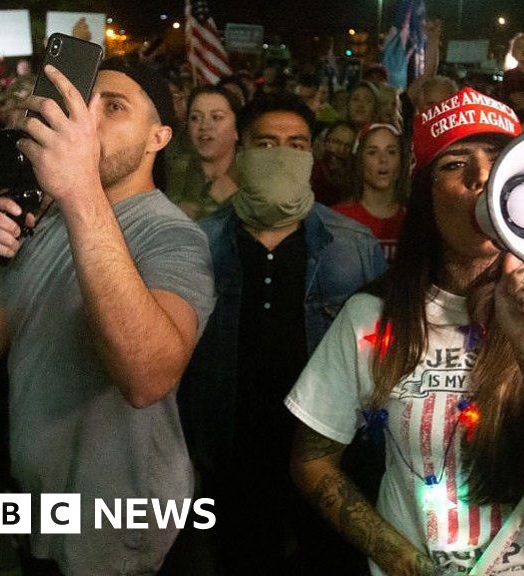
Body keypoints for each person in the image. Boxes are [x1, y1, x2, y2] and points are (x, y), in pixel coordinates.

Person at [287, 87, 524, 575]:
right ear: (426, 193)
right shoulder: (373, 316)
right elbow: (314, 459)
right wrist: (399, 558)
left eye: (499, 161)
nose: (482, 179)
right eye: (455, 164)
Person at [0, 57, 215, 575]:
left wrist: (80, 189)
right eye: (84, 103)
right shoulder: (45, 222)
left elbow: (146, 377)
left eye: (113, 107)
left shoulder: (171, 235)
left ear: (158, 137)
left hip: (127, 540)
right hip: (41, 519)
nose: (87, 118)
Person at [179, 92, 387, 574]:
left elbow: (379, 361)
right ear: (243, 150)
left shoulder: (353, 246)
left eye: (296, 145)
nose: (282, 155)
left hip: (327, 459)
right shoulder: (200, 242)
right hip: (232, 455)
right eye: (267, 143)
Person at [334, 123, 407, 263]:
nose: (383, 160)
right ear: (359, 162)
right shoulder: (337, 220)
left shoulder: (414, 221)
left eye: (391, 152)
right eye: (372, 152)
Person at [167, 85, 240, 220]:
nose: (204, 126)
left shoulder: (252, 177)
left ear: (237, 129)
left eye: (217, 117)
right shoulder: (176, 169)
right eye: (195, 118)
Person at [311, 120, 356, 206]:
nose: (341, 149)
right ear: (326, 141)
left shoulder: (353, 172)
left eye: (348, 145)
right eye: (337, 142)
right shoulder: (311, 166)